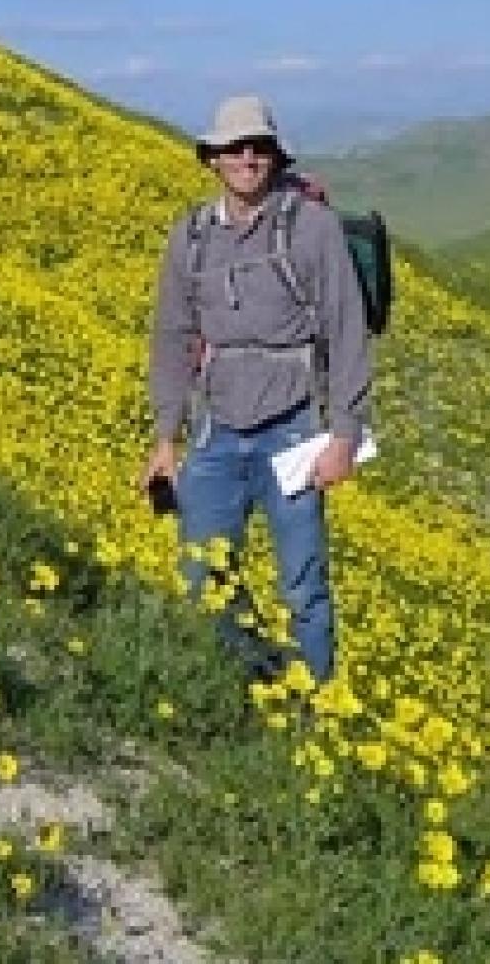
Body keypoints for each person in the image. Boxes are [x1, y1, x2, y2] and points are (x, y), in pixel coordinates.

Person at [143, 94, 372, 686]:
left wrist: (344, 434)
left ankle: (317, 708)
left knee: (303, 587)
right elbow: (172, 337)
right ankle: (248, 684)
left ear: (275, 155)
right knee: (202, 574)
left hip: (292, 431)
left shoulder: (311, 227)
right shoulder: (191, 237)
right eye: (235, 148)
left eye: (259, 148)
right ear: (213, 159)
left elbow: (347, 329)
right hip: (217, 431)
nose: (248, 157)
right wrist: (165, 439)